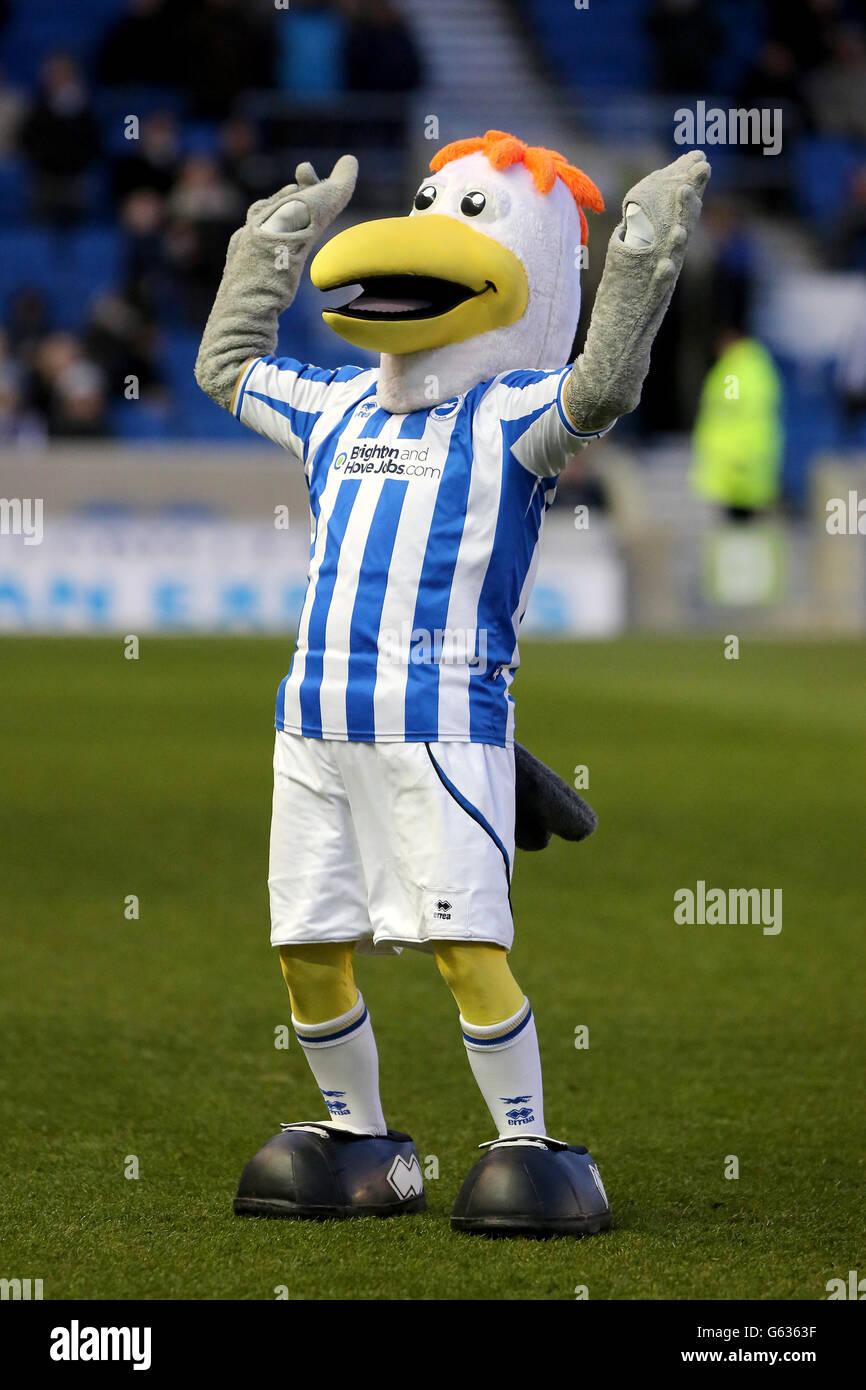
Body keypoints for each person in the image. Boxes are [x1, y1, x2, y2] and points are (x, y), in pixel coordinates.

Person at [195, 134, 709, 1233]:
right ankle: (357, 1136)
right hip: (315, 728)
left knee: (462, 946)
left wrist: (640, 255)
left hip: (442, 726)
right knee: (306, 947)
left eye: (471, 213)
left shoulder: (508, 415)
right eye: (434, 203)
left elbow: (603, 386)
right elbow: (227, 368)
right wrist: (266, 251)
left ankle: (524, 1138)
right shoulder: (333, 406)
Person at [691, 329, 784, 521]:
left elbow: (732, 410)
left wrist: (737, 451)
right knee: (749, 513)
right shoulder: (757, 367)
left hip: (737, 457)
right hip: (750, 452)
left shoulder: (735, 370)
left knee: (739, 519)